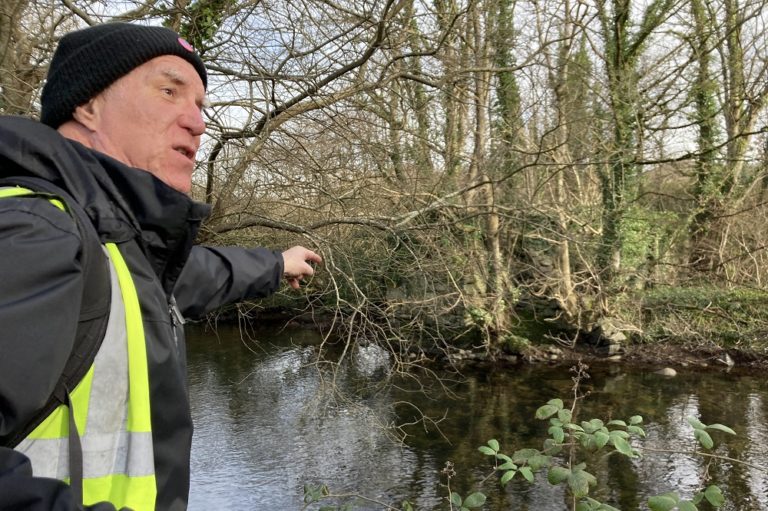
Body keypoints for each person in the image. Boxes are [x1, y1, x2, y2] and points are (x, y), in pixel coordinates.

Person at [0, 22, 322, 510]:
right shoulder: (38, 230)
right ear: (87, 105)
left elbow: (200, 273)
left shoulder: (116, 248)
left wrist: (278, 264)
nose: (197, 122)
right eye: (169, 91)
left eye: (199, 106)